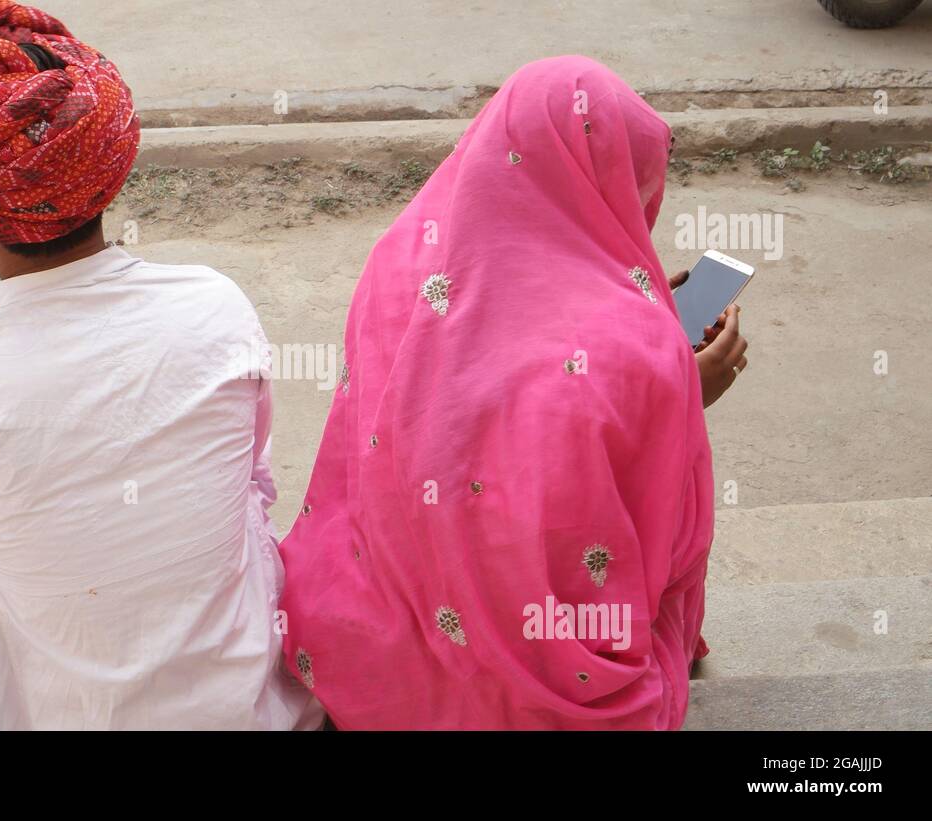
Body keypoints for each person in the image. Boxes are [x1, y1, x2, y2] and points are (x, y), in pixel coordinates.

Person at [0, 0, 318, 730]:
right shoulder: (217, 304)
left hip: (57, 712)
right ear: (106, 162)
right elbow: (255, 481)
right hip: (238, 703)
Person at [276, 56, 748, 730]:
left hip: (369, 627)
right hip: (546, 660)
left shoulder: (403, 253)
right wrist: (679, 390)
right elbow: (626, 526)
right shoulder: (636, 349)